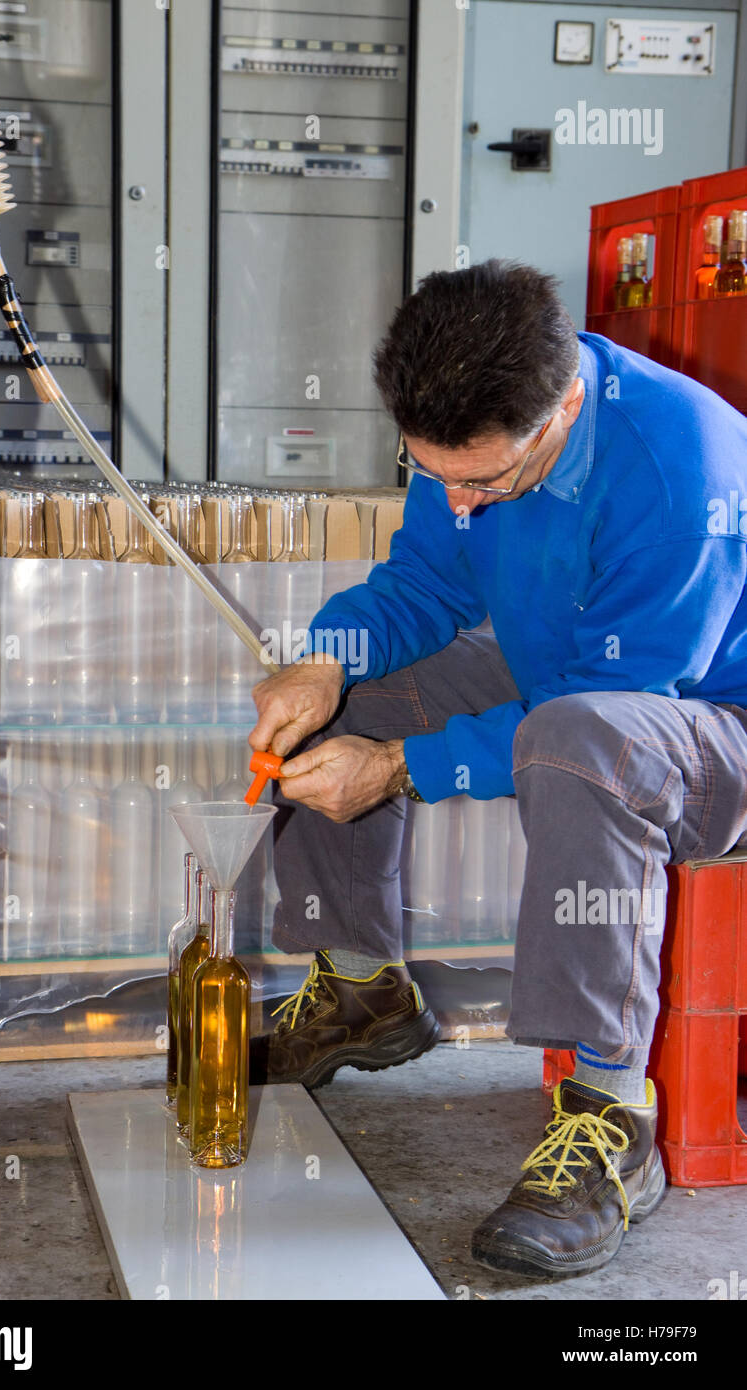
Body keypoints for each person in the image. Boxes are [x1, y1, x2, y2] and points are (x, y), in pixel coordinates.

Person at [246, 260, 747, 1278]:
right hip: (569, 684)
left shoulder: (678, 465)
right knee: (362, 694)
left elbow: (619, 708)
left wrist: (399, 768)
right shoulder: (463, 445)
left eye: (482, 480)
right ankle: (359, 993)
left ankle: (610, 1120)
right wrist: (322, 658)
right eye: (434, 473)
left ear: (561, 408)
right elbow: (422, 587)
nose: (458, 499)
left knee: (572, 740)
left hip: (707, 728)